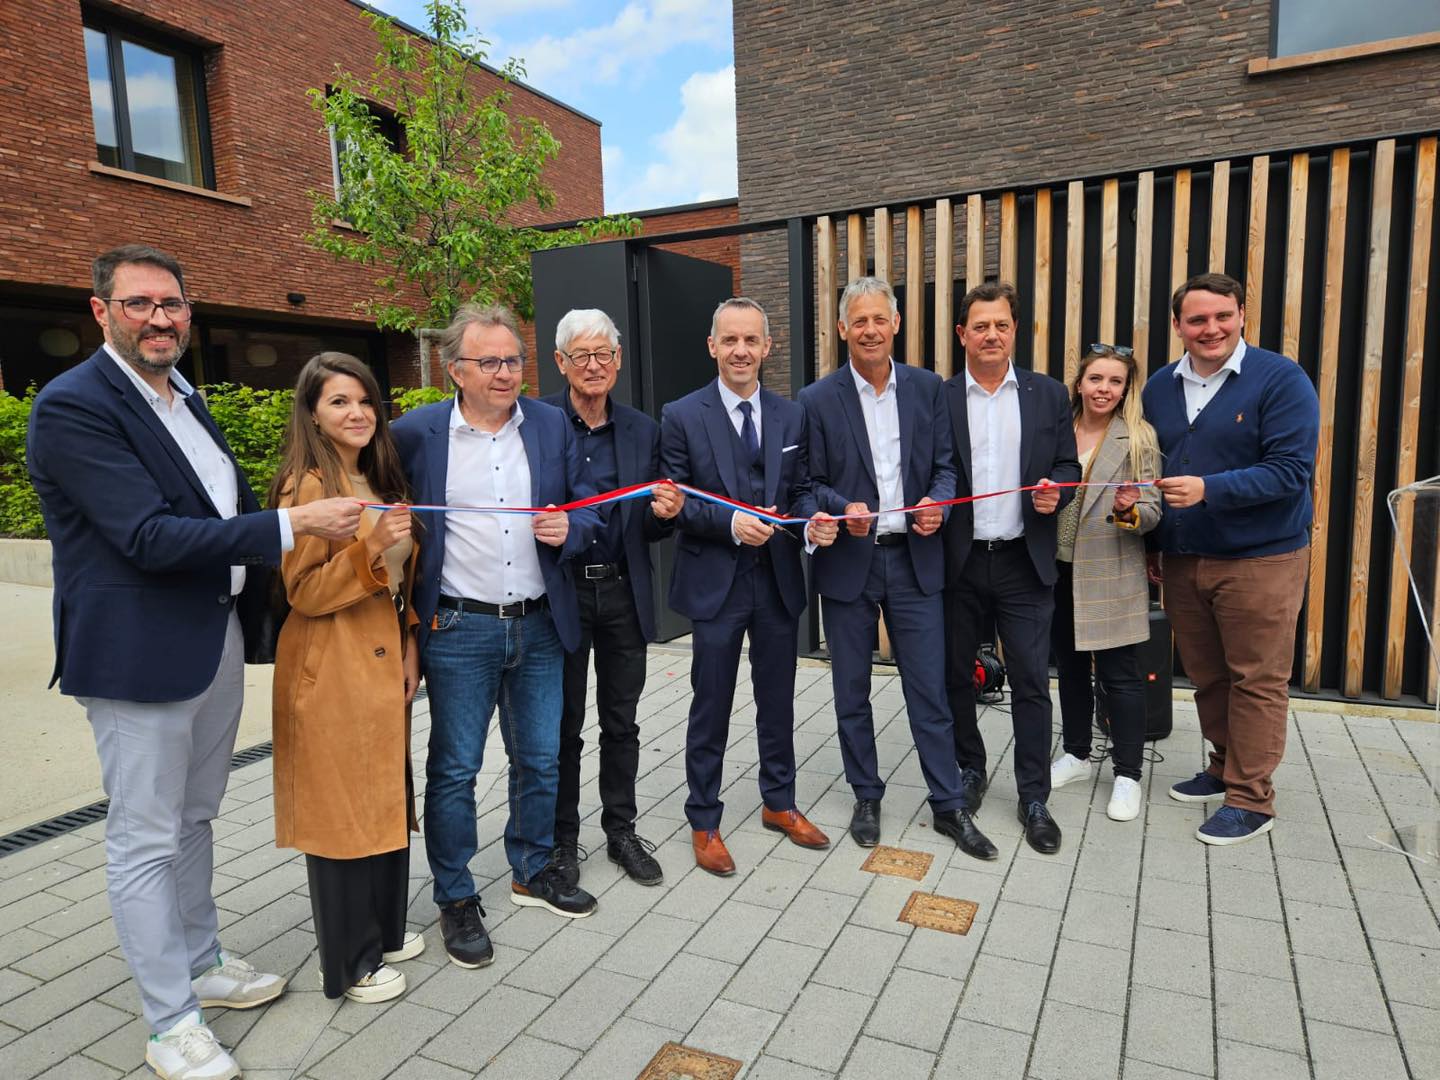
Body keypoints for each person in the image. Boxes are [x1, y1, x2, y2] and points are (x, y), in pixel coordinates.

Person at [26, 244, 361, 1080]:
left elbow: (224, 506)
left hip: (208, 640)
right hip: (138, 657)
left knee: (195, 817)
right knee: (143, 838)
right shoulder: (76, 407)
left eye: (171, 304)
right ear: (100, 311)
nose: (160, 319)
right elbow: (145, 536)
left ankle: (204, 964)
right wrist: (299, 527)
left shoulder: (185, 398)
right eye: (139, 305)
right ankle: (168, 1021)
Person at [391, 303, 603, 971]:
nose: (507, 372)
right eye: (490, 362)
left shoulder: (547, 424)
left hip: (539, 622)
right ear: (456, 370)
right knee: (455, 770)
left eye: (514, 360)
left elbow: (591, 502)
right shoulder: (415, 434)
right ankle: (455, 895)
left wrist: (575, 531)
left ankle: (532, 869)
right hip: (457, 626)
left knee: (540, 759)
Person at [660, 297, 838, 875]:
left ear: (767, 347)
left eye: (751, 341)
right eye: (729, 340)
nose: (741, 351)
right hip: (716, 584)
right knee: (711, 703)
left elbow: (804, 486)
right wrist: (730, 523)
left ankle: (779, 803)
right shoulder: (682, 415)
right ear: (713, 346)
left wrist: (811, 521)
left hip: (779, 582)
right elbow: (676, 503)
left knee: (778, 702)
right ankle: (704, 818)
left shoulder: (792, 415)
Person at [798, 276, 975, 854]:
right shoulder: (817, 400)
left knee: (929, 689)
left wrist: (938, 506)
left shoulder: (928, 390)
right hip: (851, 562)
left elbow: (947, 469)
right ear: (843, 330)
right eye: (859, 321)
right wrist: (836, 507)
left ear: (896, 324)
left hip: (914, 562)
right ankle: (866, 794)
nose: (870, 330)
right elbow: (808, 485)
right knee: (851, 690)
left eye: (881, 319)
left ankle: (947, 802)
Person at [269, 352, 424, 1005]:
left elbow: (397, 580)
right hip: (330, 665)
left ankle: (384, 931)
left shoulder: (377, 478)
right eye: (338, 401)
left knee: (383, 794)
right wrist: (367, 549)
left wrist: (411, 636)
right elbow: (302, 590)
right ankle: (350, 964)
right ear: (312, 413)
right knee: (340, 814)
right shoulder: (307, 487)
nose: (357, 412)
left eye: (364, 400)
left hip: (384, 660)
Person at [1142, 273, 1319, 846]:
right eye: (1196, 319)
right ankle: (1223, 766)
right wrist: (1151, 542)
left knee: (1258, 678)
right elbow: (1151, 472)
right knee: (1208, 676)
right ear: (1178, 327)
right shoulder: (1160, 388)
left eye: (1222, 315)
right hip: (1185, 558)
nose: (1210, 328)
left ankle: (1251, 797)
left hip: (1259, 560)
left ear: (1242, 314)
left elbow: (1292, 471)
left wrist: (1209, 489)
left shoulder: (1280, 379)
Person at [540, 309, 684, 888]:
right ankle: (563, 840)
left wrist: (665, 518)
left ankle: (620, 831)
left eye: (604, 355)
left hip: (623, 589)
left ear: (618, 360)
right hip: (564, 592)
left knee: (621, 721)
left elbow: (645, 526)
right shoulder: (539, 422)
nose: (594, 365)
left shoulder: (643, 430)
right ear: (561, 363)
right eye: (582, 356)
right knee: (564, 724)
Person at [942, 282, 1081, 856]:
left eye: (1001, 325)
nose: (991, 335)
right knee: (954, 678)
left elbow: (1069, 465)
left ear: (1014, 331)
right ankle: (970, 770)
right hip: (959, 561)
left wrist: (1060, 493)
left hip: (1025, 561)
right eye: (980, 326)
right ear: (962, 335)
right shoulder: (941, 397)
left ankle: (1033, 796)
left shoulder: (1048, 395)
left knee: (1029, 681)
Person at [1047, 345, 1162, 822]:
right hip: (1055, 571)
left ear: (1125, 389)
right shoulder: (1056, 430)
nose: (1104, 389)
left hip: (1111, 573)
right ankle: (1076, 755)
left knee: (1122, 678)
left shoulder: (1139, 438)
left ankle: (1128, 775)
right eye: (1096, 379)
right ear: (1079, 383)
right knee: (1070, 670)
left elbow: (1153, 511)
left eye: (1115, 382)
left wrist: (1126, 510)